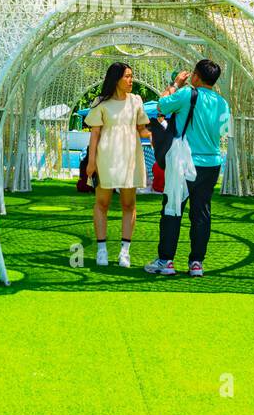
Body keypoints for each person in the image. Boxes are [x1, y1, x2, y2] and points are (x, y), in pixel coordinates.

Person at [144, 59, 230, 278]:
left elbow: (160, 106)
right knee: (201, 212)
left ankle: (166, 260)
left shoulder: (187, 93)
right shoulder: (222, 103)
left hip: (184, 162)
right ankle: (196, 263)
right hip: (211, 163)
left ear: (196, 76)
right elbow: (223, 130)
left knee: (172, 209)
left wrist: (175, 85)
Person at [85, 62, 151, 267]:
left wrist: (162, 136)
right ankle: (102, 250)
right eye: (127, 76)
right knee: (102, 203)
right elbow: (94, 135)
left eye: (132, 76)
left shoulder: (136, 101)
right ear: (116, 79)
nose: (131, 80)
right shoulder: (101, 102)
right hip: (106, 158)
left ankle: (125, 252)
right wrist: (91, 162)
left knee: (129, 205)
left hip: (130, 158)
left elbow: (142, 130)